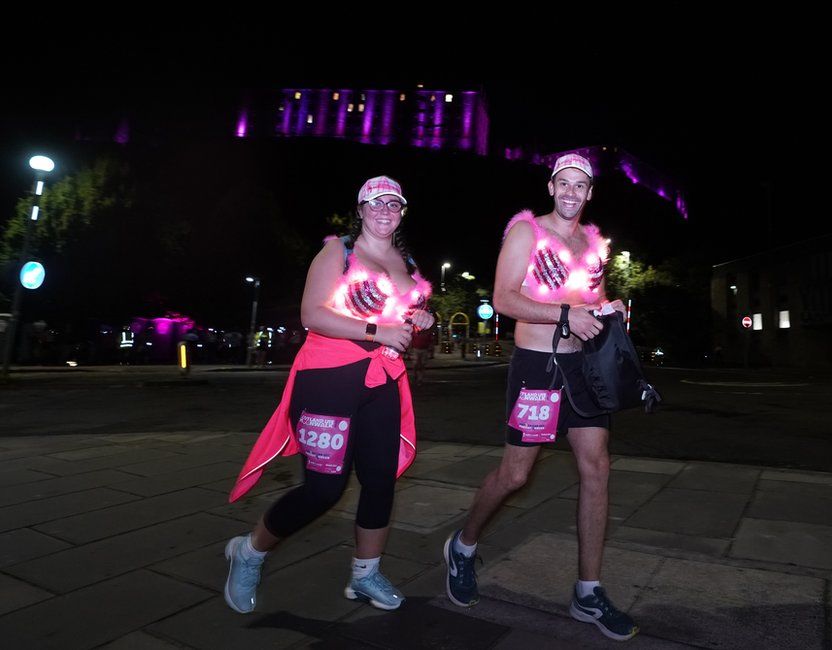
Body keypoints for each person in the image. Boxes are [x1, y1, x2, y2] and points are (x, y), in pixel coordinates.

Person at [443, 153, 639, 641]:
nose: (572, 192)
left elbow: (587, 299)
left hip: (585, 368)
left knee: (598, 467)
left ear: (590, 193)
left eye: (581, 186)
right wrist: (567, 313)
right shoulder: (527, 232)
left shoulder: (592, 243)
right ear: (551, 187)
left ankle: (587, 592)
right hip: (539, 368)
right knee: (515, 474)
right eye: (564, 183)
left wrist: (605, 309)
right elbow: (505, 298)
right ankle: (463, 547)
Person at [224, 175, 434, 614]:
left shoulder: (406, 261)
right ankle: (250, 551)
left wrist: (419, 318)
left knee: (380, 480)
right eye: (374, 203)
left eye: (392, 204)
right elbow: (312, 315)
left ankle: (365, 575)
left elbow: (402, 318)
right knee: (324, 489)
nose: (384, 210)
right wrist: (380, 330)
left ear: (402, 212)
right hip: (328, 378)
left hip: (383, 380)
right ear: (359, 211)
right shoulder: (338, 252)